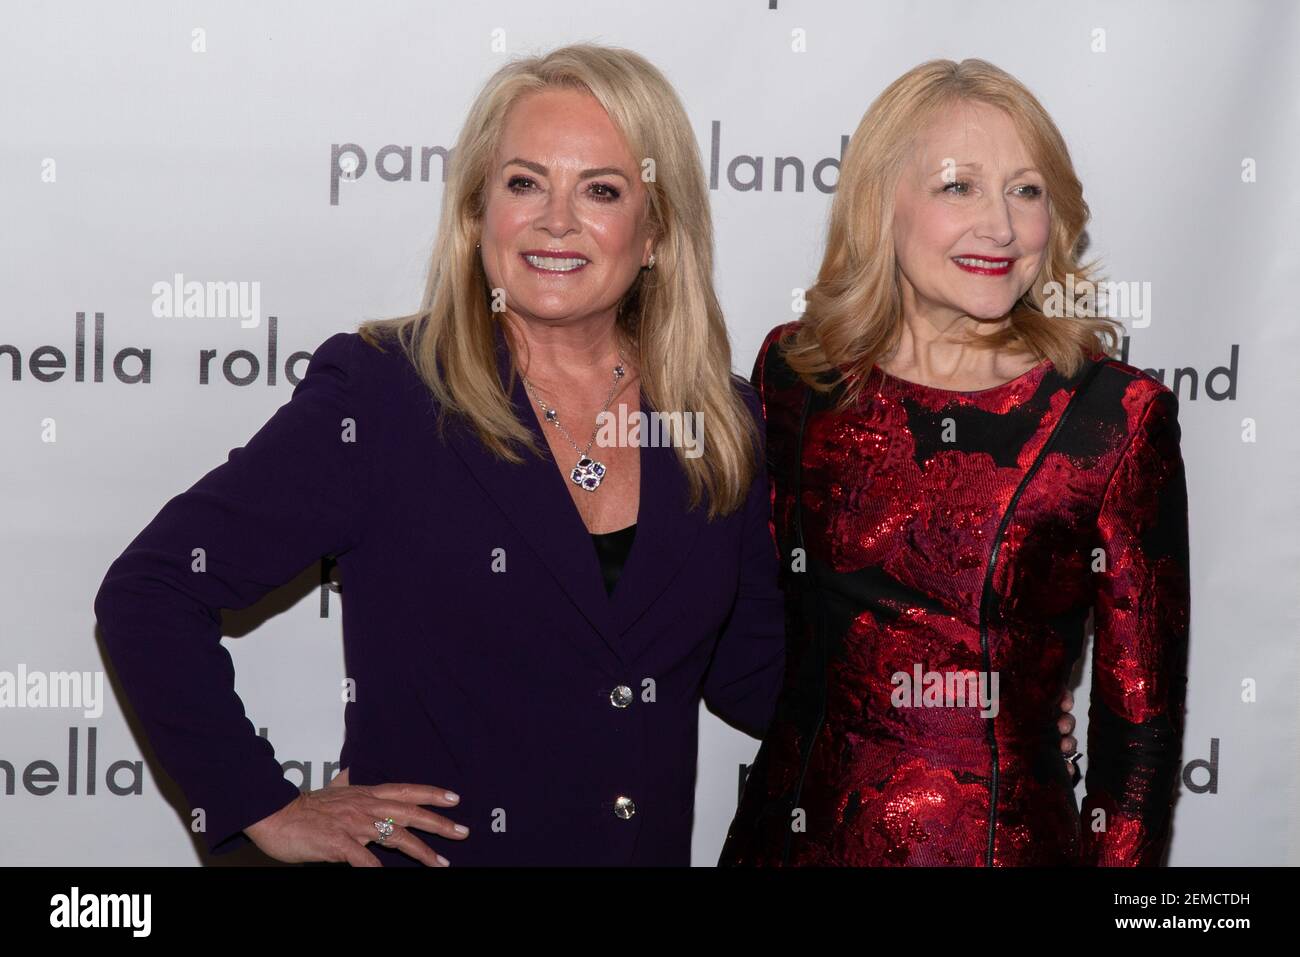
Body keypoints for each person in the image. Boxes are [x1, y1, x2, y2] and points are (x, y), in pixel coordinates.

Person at [94, 44, 1079, 868]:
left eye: (600, 190)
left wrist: (966, 702)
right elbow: (149, 594)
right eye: (524, 183)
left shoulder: (717, 423)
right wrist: (258, 805)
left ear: (653, 231)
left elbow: (755, 678)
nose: (555, 221)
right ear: (480, 212)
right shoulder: (386, 393)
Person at [719, 58, 1189, 866]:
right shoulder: (798, 377)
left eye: (1026, 190)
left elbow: (1138, 746)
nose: (1001, 226)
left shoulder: (1115, 420)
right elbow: (757, 627)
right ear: (881, 204)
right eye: (958, 186)